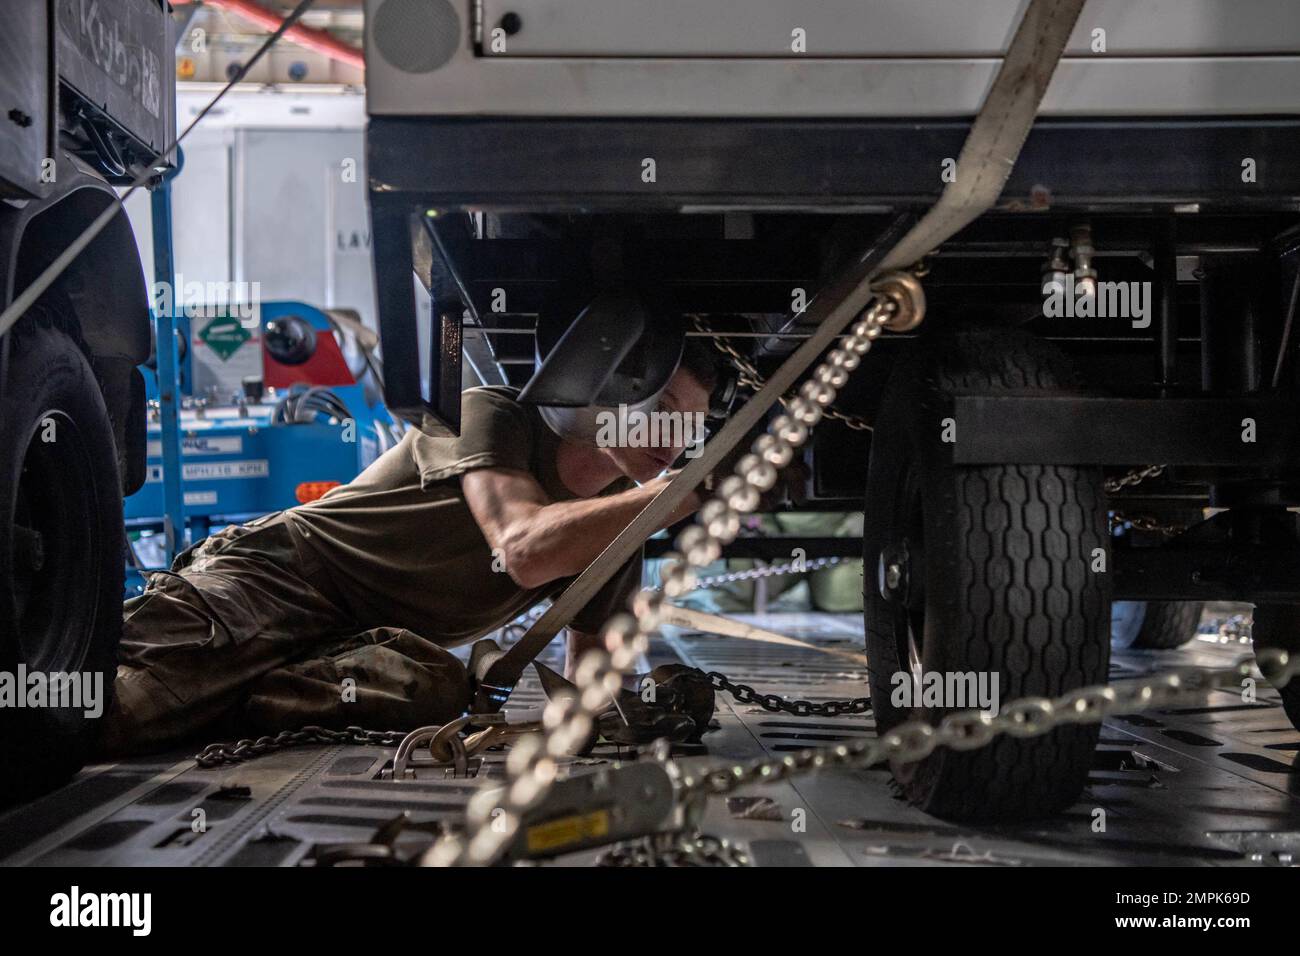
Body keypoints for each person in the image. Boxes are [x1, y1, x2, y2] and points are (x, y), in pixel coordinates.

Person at [99, 343, 719, 754]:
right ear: (612, 391)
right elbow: (524, 545)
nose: (675, 440)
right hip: (280, 579)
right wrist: (685, 491)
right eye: (664, 410)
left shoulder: (615, 527)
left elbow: (594, 681)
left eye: (692, 429)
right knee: (102, 709)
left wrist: (645, 711)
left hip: (350, 648)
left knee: (438, 691)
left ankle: (231, 698)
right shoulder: (490, 413)